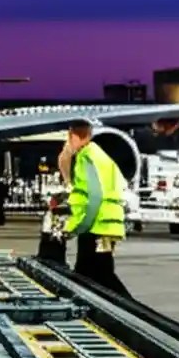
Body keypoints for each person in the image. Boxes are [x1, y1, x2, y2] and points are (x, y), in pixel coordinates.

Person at [58, 120, 131, 298]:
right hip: (105, 226)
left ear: (72, 136)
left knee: (101, 274)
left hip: (96, 227)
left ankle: (132, 311)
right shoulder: (100, 156)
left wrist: (79, 226)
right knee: (88, 272)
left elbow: (94, 198)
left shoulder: (86, 157)